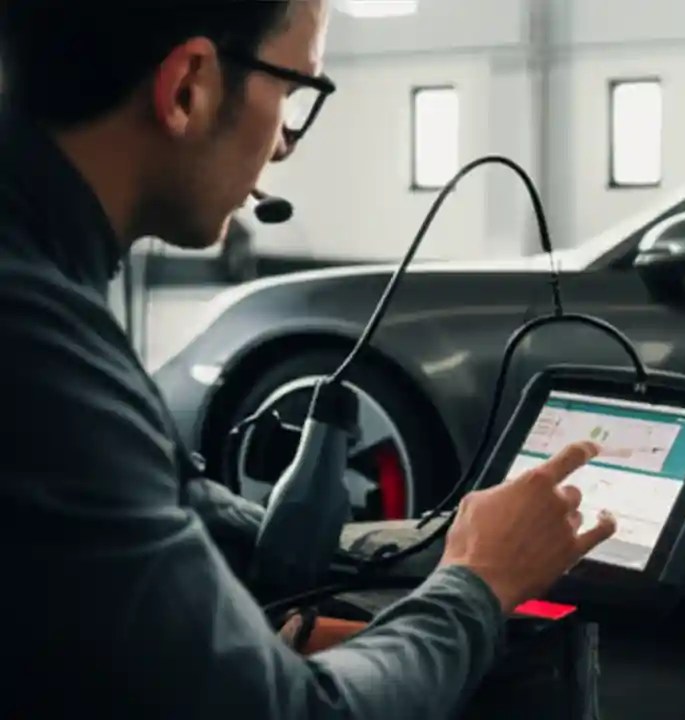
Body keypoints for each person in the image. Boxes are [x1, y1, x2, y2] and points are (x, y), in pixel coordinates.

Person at [0, 0, 617, 717]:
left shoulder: (41, 283)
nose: (285, 143)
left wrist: (324, 545)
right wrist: (475, 583)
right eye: (293, 92)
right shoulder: (38, 351)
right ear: (189, 86)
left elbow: (140, 493)